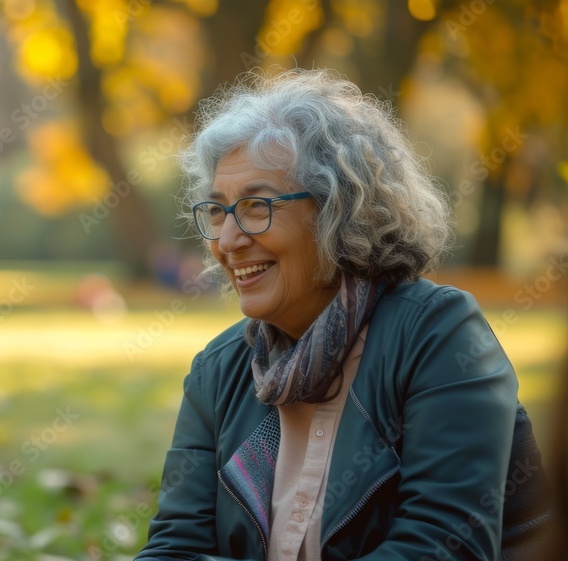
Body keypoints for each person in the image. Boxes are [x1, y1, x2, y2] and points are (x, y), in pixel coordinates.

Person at [136, 69, 553, 561]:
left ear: (338, 208)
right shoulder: (217, 372)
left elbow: (444, 545)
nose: (228, 242)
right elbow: (173, 549)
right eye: (218, 211)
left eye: (255, 206)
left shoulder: (438, 335)